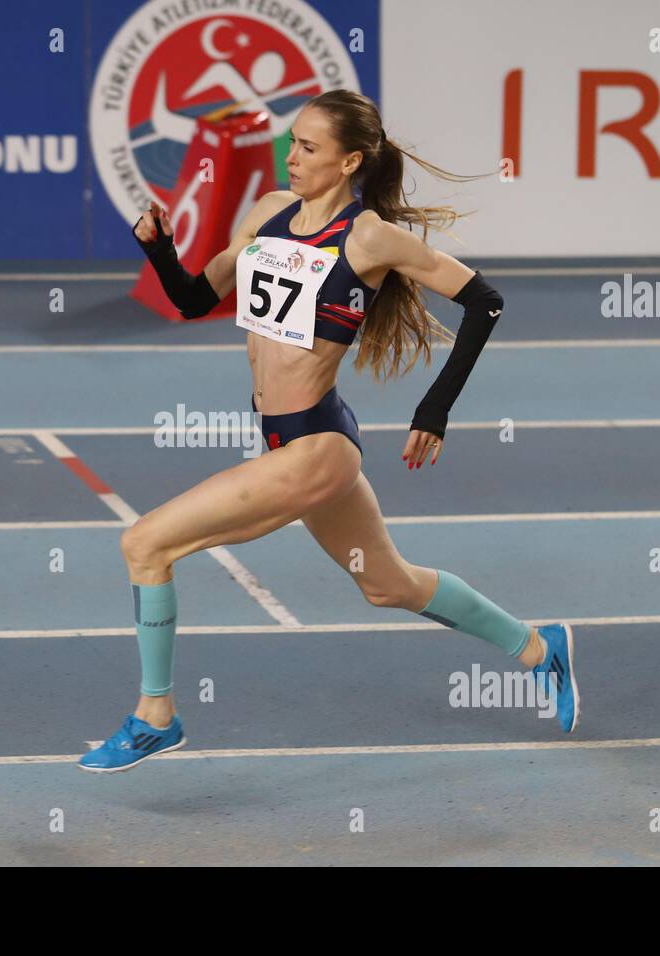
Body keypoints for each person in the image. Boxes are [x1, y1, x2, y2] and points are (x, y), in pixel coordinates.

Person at [79, 90, 579, 774]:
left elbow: (484, 303)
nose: (293, 157)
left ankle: (155, 716)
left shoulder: (369, 235)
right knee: (388, 585)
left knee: (144, 543)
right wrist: (162, 251)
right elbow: (196, 298)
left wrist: (433, 410)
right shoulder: (268, 215)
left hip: (317, 449)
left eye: (310, 149)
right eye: (293, 143)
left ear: (348, 161)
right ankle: (537, 645)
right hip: (286, 440)